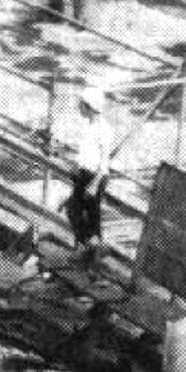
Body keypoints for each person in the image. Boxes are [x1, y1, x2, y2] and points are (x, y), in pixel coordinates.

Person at [64, 86, 110, 250]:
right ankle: (88, 248)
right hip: (84, 174)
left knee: (92, 219)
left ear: (89, 107)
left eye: (81, 104)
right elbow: (86, 153)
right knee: (73, 211)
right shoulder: (88, 125)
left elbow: (104, 162)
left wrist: (95, 184)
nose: (79, 107)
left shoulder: (103, 129)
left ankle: (93, 254)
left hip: (95, 178)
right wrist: (76, 166)